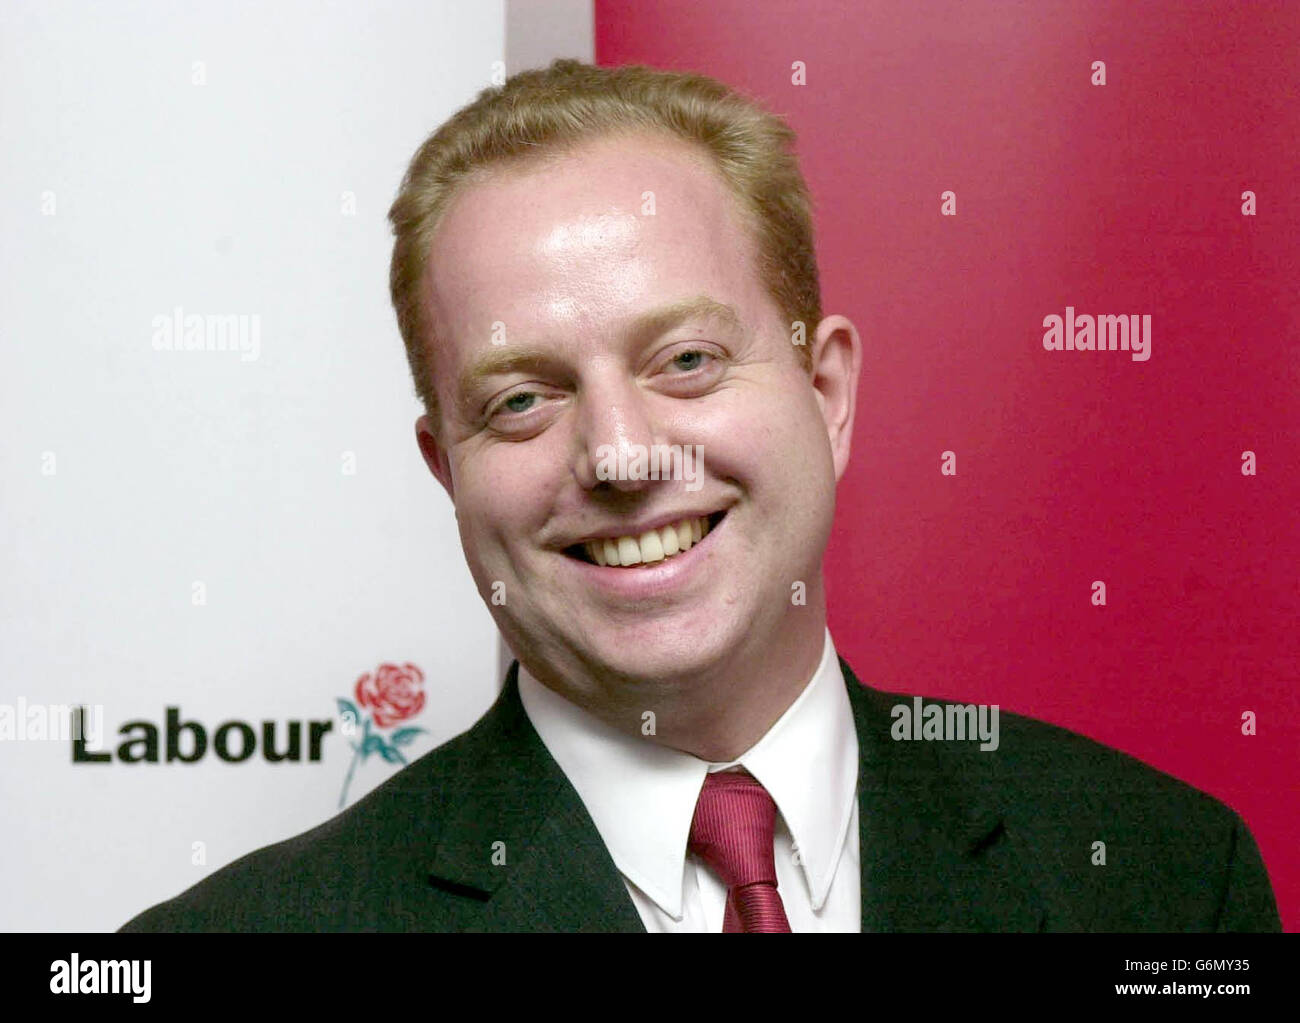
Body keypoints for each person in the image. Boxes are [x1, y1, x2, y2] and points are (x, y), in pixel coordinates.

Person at [120, 59, 1280, 933]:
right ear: (447, 471)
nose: (620, 456)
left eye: (685, 361)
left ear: (825, 393)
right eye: (522, 399)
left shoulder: (1166, 878)